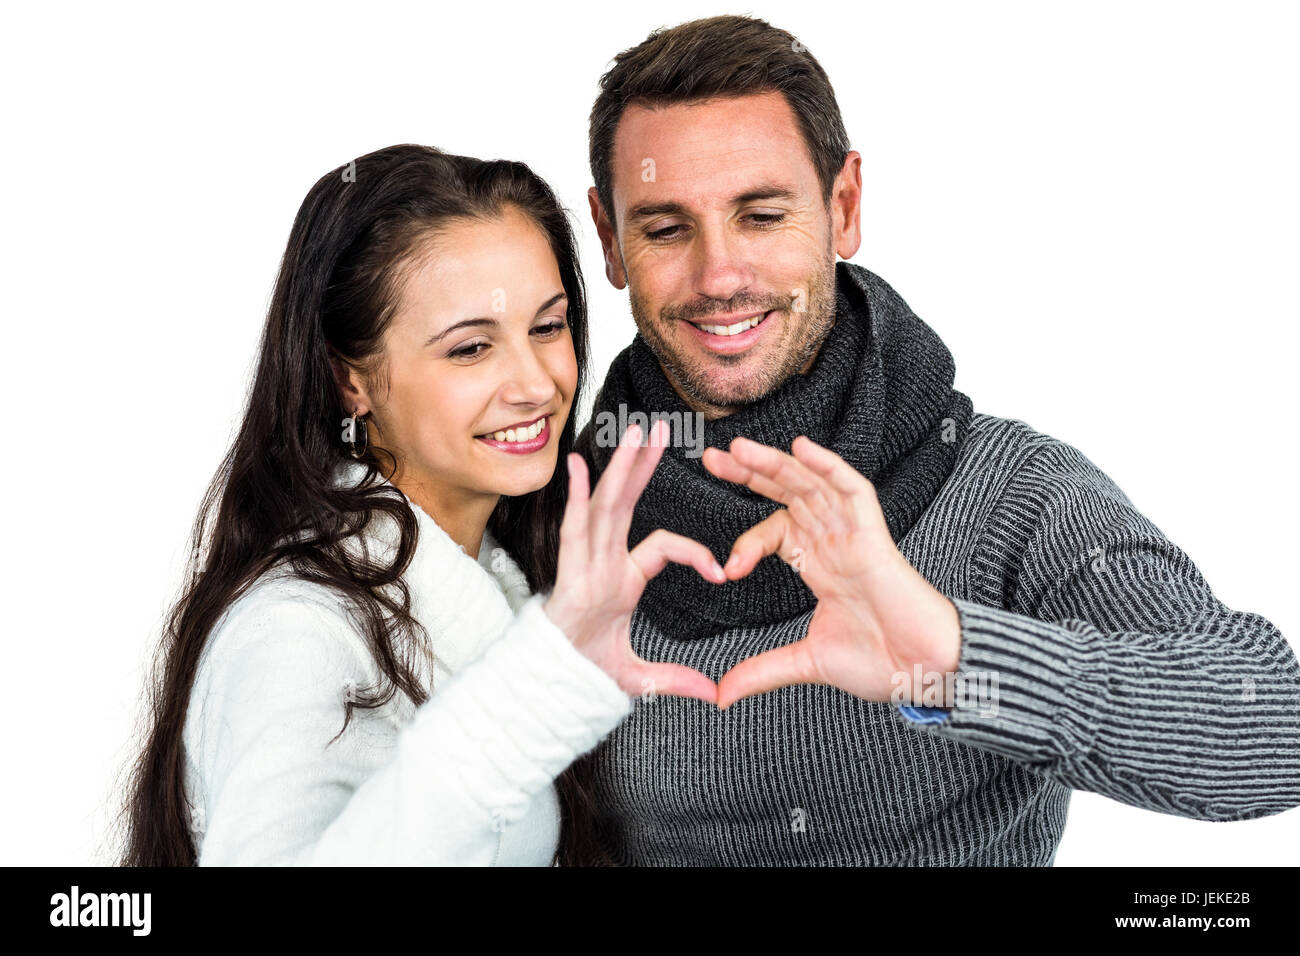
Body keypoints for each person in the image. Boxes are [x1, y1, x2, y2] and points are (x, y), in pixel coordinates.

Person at [567, 14, 1300, 865]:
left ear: (843, 208)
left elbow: (1273, 729)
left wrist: (951, 657)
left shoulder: (1012, 495)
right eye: (664, 229)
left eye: (762, 215)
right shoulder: (559, 516)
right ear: (610, 239)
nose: (720, 276)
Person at [118, 144, 725, 866]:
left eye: (547, 327)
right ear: (352, 382)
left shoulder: (517, 572)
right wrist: (544, 688)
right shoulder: (296, 632)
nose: (534, 384)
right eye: (471, 349)